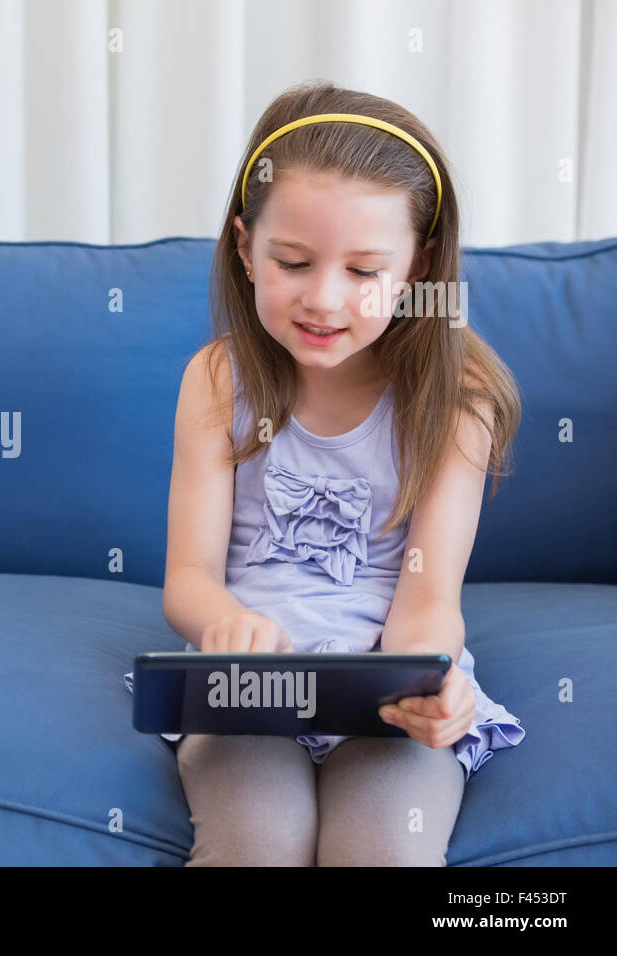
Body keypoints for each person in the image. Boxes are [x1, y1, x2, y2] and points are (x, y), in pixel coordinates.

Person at [129, 81, 526, 866]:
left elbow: (429, 601)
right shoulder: (218, 380)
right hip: (245, 690)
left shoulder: (457, 398)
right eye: (293, 262)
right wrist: (224, 625)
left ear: (417, 268)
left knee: (385, 850)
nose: (323, 298)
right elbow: (188, 578)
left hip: (387, 698)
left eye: (364, 271)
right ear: (244, 248)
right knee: (258, 843)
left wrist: (431, 679)